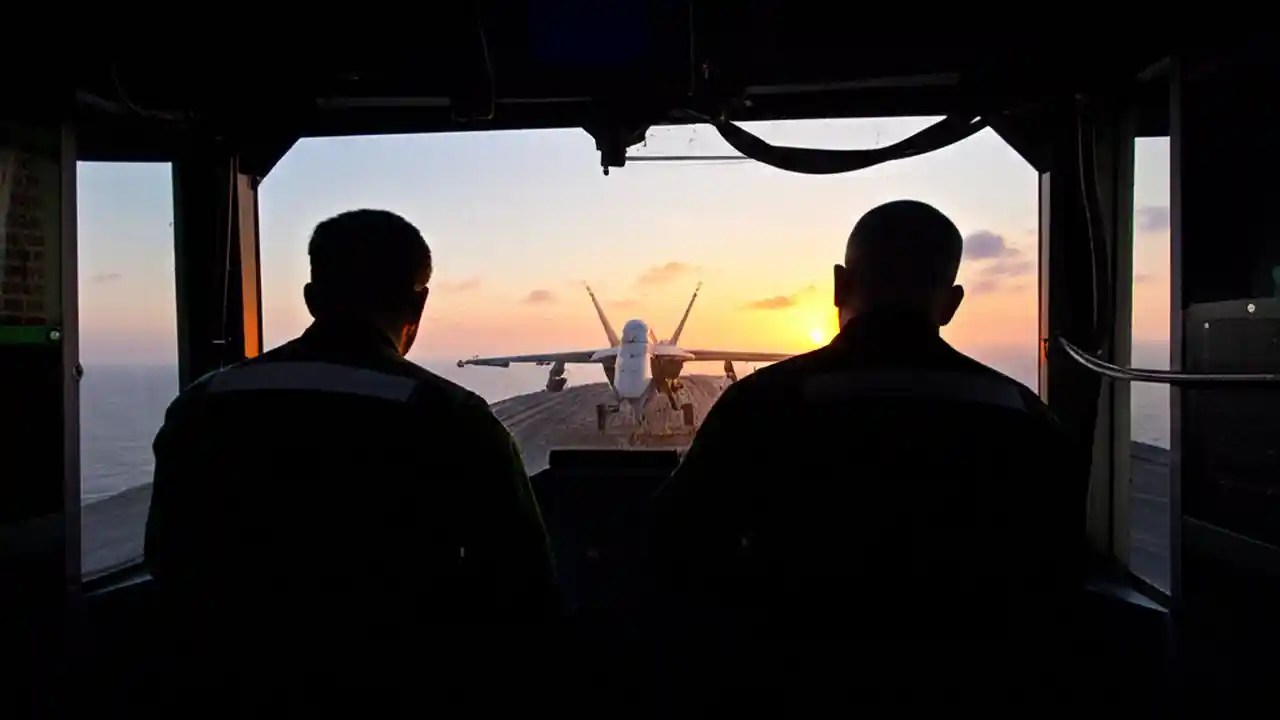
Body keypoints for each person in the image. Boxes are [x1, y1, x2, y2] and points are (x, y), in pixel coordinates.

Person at [652, 200, 1083, 709]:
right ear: (951, 303)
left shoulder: (761, 405)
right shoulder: (1025, 417)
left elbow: (676, 545)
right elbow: (1056, 575)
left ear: (839, 284)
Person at [144, 210, 556, 696]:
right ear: (417, 305)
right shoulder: (452, 419)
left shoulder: (201, 405)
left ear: (312, 299)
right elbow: (525, 589)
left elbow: (167, 557)